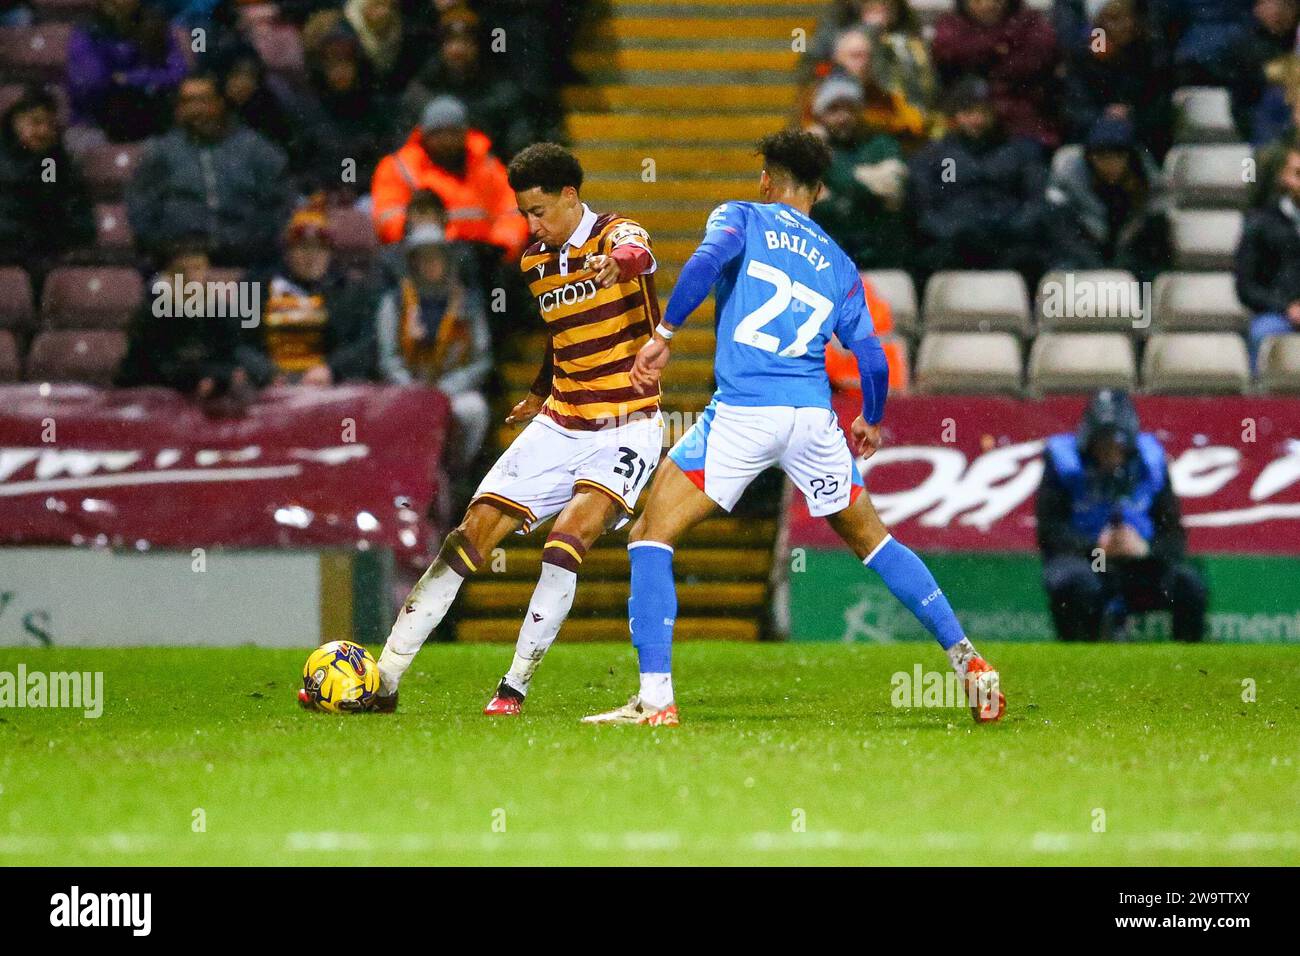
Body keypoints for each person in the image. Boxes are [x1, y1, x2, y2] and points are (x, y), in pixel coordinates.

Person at [581, 130, 1005, 727]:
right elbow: (874, 358)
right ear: (821, 190)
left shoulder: (742, 217)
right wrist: (873, 418)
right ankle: (968, 660)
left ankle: (655, 701)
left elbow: (705, 263)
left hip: (746, 410)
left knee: (650, 534)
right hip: (812, 418)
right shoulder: (839, 261)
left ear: (765, 180)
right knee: (876, 543)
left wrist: (665, 334)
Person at [368, 143, 664, 716]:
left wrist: (620, 263)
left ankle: (513, 688)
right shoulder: (535, 263)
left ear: (570, 197)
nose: (531, 224)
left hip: (627, 425)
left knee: (565, 542)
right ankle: (384, 679)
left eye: (540, 211)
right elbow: (561, 334)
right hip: (561, 420)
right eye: (525, 213)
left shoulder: (616, 234)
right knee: (468, 535)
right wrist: (537, 390)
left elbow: (640, 258)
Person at [1037, 390, 1206, 642]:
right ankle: (1081, 659)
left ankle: (1188, 662)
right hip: (1088, 561)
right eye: (1102, 445)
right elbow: (1049, 531)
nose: (1109, 454)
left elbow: (1173, 534)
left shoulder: (1152, 463)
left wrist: (1144, 548)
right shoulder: (1063, 463)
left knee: (1188, 583)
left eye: (1116, 446)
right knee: (1075, 584)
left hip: (1139, 564)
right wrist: (1096, 547)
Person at [126, 72, 294, 269]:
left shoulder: (256, 149)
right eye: (188, 102)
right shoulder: (160, 152)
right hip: (179, 255)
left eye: (203, 100)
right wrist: (167, 246)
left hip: (248, 256)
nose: (196, 109)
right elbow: (141, 207)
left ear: (220, 103)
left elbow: (280, 203)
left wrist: (254, 241)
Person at [907, 76, 1050, 287]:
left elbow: (1035, 202)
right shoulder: (934, 156)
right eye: (969, 112)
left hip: (1007, 244)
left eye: (983, 112)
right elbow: (923, 209)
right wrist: (955, 232)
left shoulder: (1020, 152)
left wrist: (1008, 229)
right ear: (956, 114)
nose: (977, 120)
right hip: (953, 247)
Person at [374, 221, 491, 470]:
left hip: (452, 389)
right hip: (406, 389)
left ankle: (455, 474)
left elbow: (481, 359)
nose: (430, 264)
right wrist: (411, 388)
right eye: (423, 258)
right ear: (412, 262)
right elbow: (388, 358)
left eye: (435, 257)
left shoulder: (467, 302)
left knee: (474, 409)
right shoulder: (394, 302)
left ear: (447, 260)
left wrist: (447, 388)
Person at [370, 95, 528, 260]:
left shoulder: (487, 166)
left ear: (465, 133)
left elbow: (512, 209)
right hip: (422, 257)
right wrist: (439, 241)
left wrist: (500, 246)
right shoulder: (399, 167)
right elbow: (388, 218)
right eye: (438, 133)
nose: (446, 140)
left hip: (483, 258)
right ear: (423, 135)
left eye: (453, 132)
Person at [240, 206, 378, 388]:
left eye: (320, 249)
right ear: (288, 252)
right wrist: (267, 374)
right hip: (270, 388)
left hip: (328, 388)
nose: (312, 257)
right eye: (304, 248)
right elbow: (239, 344)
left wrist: (330, 369)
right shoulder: (254, 287)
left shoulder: (350, 291)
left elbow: (364, 344)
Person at [115, 236, 257, 407]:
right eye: (182, 271)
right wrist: (197, 377)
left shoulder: (219, 310)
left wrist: (218, 377)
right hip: (158, 401)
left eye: (197, 268)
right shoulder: (152, 313)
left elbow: (232, 353)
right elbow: (147, 367)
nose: (191, 277)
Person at [1046, 115, 1171, 284]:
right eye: (1101, 156)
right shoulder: (1067, 198)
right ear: (1089, 158)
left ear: (1130, 158)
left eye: (1118, 156)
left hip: (1131, 275)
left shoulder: (1149, 195)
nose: (1110, 163)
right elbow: (1070, 245)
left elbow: (1151, 252)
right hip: (1083, 272)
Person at [808, 75, 909, 270]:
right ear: (819, 115)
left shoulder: (881, 144)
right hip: (827, 256)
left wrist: (829, 169)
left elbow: (892, 189)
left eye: (849, 108)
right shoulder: (807, 151)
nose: (843, 116)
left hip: (879, 254)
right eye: (834, 109)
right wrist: (868, 180)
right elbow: (810, 203)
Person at [931, 0, 1061, 149]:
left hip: (1020, 127)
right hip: (961, 127)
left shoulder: (1030, 22)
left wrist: (979, 55)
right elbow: (947, 51)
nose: (988, 4)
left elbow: (1035, 60)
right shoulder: (951, 23)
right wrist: (996, 47)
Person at [0, 86, 95, 288]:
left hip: (41, 257)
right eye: (35, 122)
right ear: (15, 122)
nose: (43, 131)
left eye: (50, 125)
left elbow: (67, 214)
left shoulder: (53, 163)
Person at [66, 0, 188, 143]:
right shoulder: (87, 32)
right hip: (98, 122)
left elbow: (178, 74)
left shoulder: (158, 27)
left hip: (154, 118)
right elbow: (91, 82)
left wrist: (131, 78)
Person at [1236, 146, 1300, 371]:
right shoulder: (1260, 224)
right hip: (1278, 315)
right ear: (1283, 177)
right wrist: (1286, 307)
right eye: (1298, 174)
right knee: (1262, 333)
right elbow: (1246, 288)